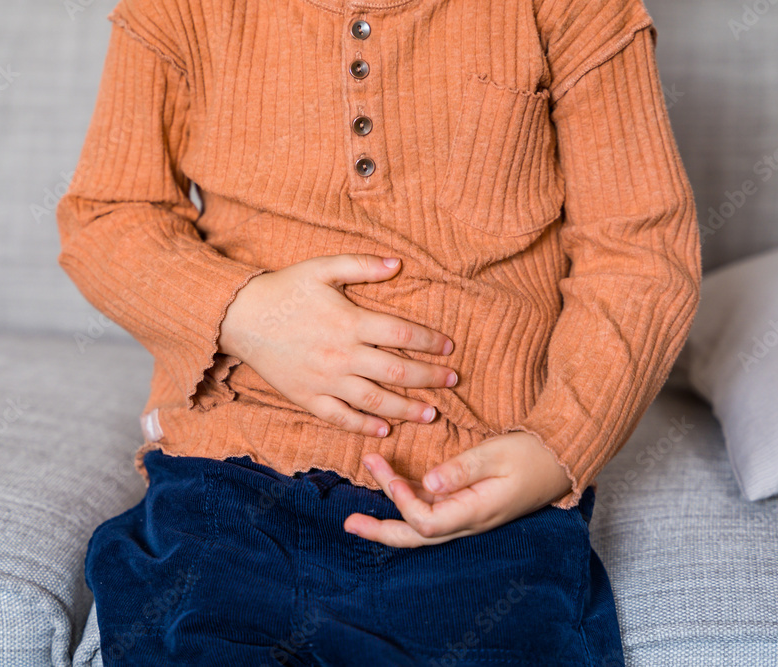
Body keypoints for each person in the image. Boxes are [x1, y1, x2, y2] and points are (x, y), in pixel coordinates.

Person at [56, 0, 702, 663]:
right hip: (232, 468)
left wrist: (555, 447)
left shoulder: (570, 11)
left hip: (472, 488)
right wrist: (244, 310)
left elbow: (641, 254)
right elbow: (108, 216)